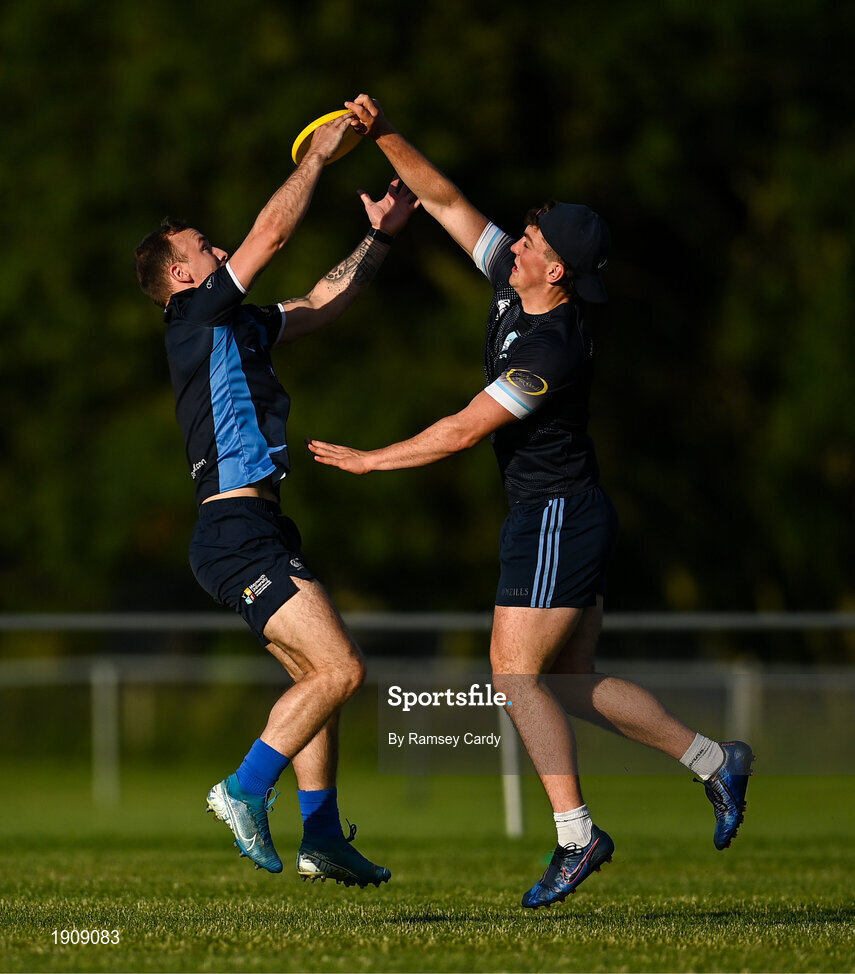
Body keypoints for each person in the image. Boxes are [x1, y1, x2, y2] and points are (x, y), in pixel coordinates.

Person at [307, 95, 755, 909]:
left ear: (557, 271)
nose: (515, 244)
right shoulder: (517, 287)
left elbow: (461, 431)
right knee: (570, 681)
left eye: (533, 243)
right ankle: (713, 763)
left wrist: (373, 460)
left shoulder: (551, 344)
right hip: (563, 511)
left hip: (556, 515)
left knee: (513, 677)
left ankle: (577, 839)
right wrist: (380, 133)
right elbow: (441, 199)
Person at [134, 112, 418, 888]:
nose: (219, 252)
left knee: (315, 682)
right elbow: (271, 235)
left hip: (256, 524)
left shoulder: (236, 326)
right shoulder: (193, 315)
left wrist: (382, 237)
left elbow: (323, 302)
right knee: (342, 671)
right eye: (204, 251)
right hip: (232, 529)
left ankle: (322, 836)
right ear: (184, 277)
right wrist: (321, 153)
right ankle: (241, 788)